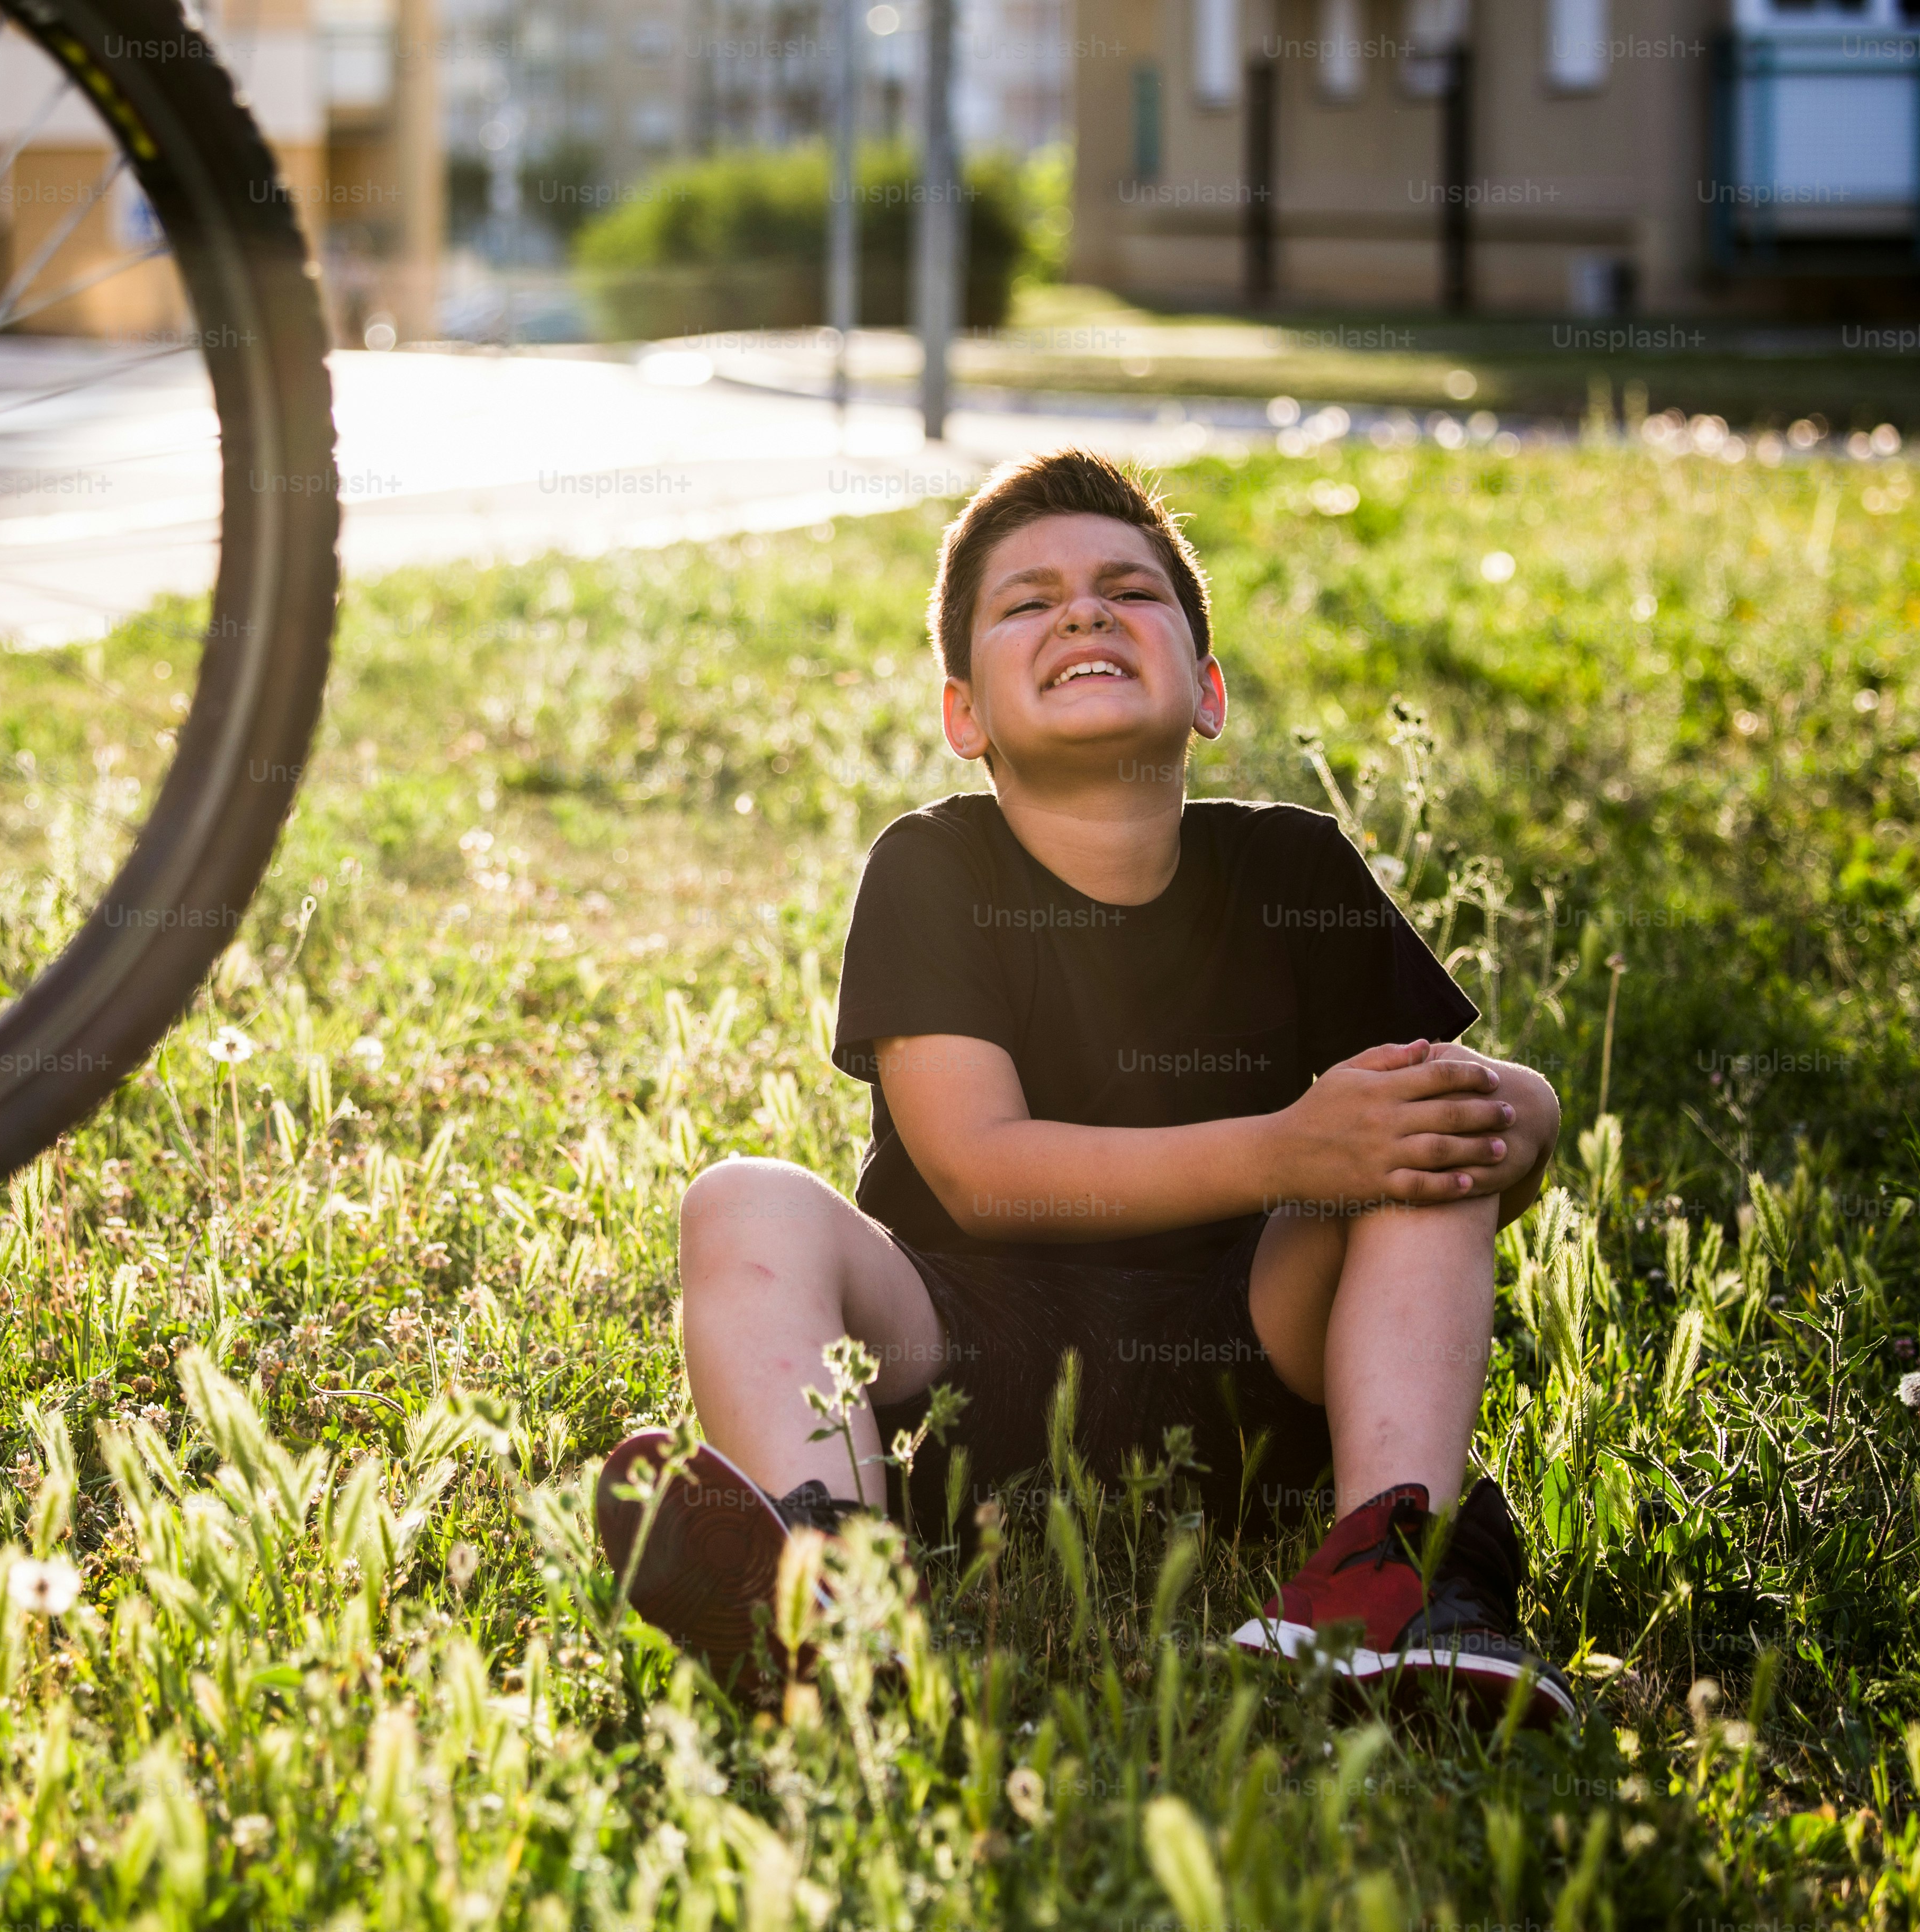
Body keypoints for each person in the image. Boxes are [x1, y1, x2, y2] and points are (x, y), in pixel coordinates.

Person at [593, 448, 1572, 1722]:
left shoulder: (1288, 862)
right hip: (967, 1364)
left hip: (1252, 1359)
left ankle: (1384, 1568)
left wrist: (1498, 1115)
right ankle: (825, 1582)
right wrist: (1286, 1150)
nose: (1083, 611)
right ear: (965, 718)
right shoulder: (934, 869)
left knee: (1420, 1136)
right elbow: (979, 1170)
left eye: (1128, 589)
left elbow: (1474, 1116)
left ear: (1207, 692)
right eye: (1026, 601)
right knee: (742, 1200)